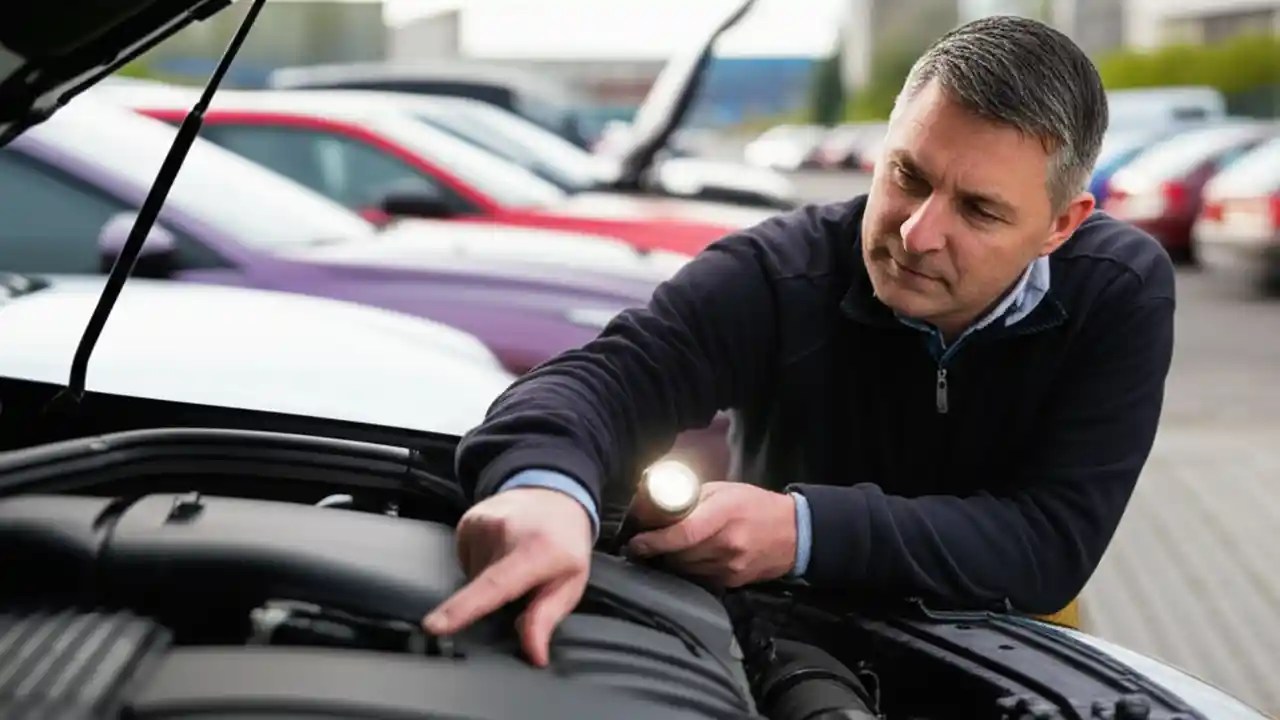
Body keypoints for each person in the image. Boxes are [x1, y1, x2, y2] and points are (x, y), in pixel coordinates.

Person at [423, 14, 1177, 668]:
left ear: (1060, 226)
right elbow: (603, 382)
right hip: (780, 643)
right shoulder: (780, 271)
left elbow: (1049, 544)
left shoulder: (1117, 289)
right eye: (907, 175)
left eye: (978, 211)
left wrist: (800, 528)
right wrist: (545, 492)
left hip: (1008, 649)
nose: (918, 233)